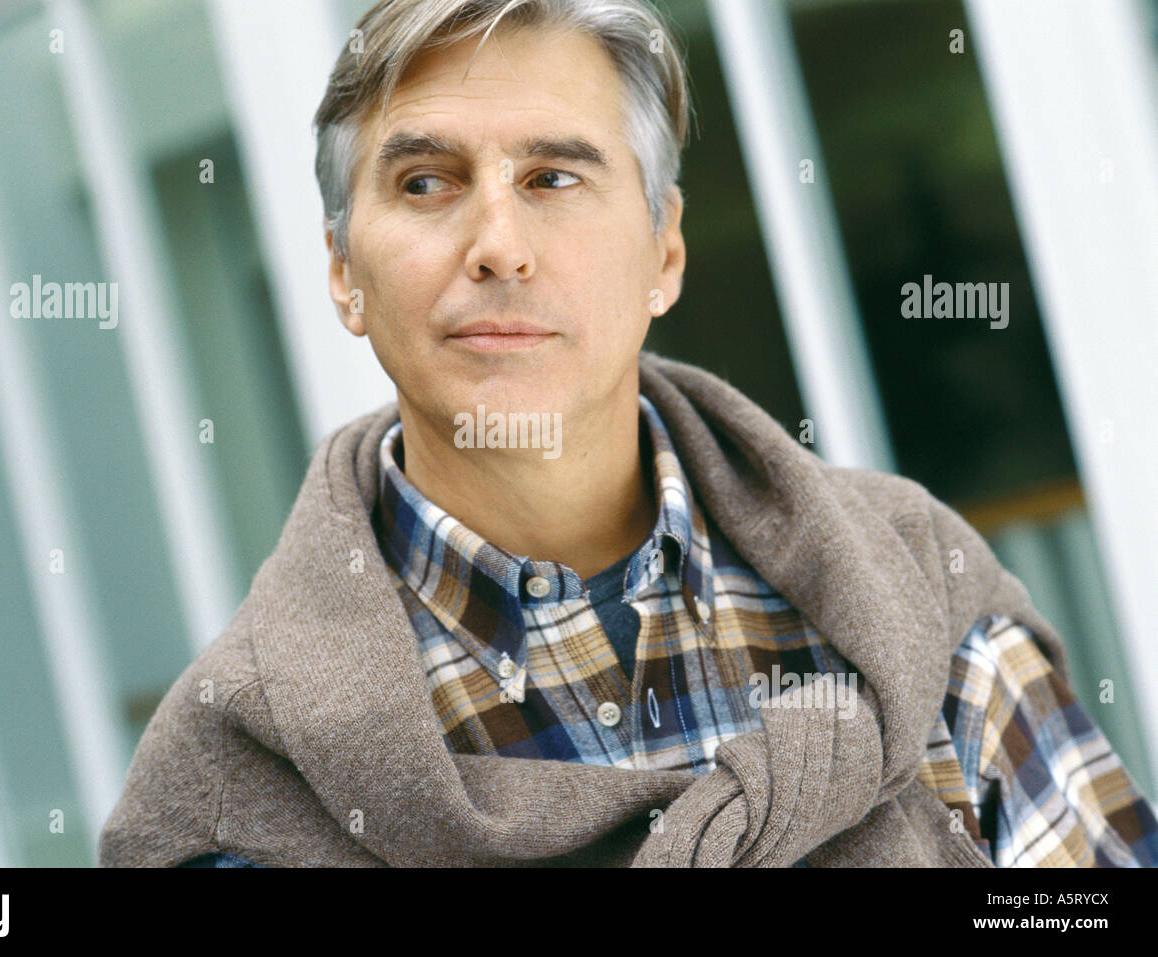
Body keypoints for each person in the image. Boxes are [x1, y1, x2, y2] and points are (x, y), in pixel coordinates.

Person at [99, 0, 1157, 867]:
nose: (498, 245)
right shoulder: (239, 784)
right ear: (343, 274)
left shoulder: (920, 597)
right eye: (426, 183)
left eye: (555, 178)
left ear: (664, 252)